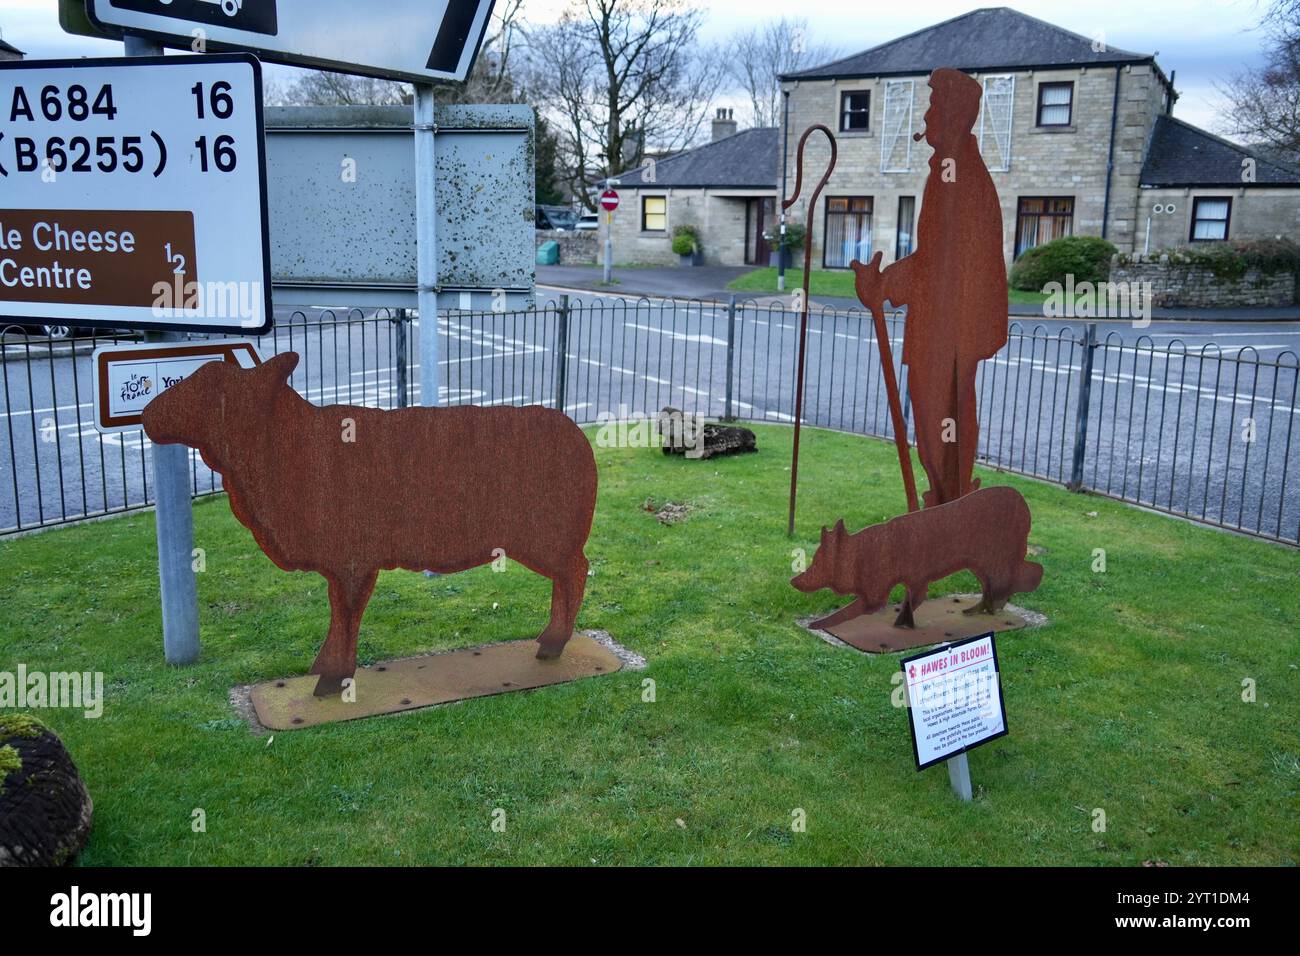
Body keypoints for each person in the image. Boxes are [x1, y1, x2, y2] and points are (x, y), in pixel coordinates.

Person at [851, 68, 1008, 508]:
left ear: (956, 115)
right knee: (936, 426)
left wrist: (885, 284)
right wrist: (885, 284)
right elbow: (936, 257)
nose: (926, 114)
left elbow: (942, 261)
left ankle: (949, 506)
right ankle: (947, 504)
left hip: (950, 333)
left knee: (941, 423)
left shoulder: (960, 176)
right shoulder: (948, 171)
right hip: (942, 329)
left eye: (934, 106)